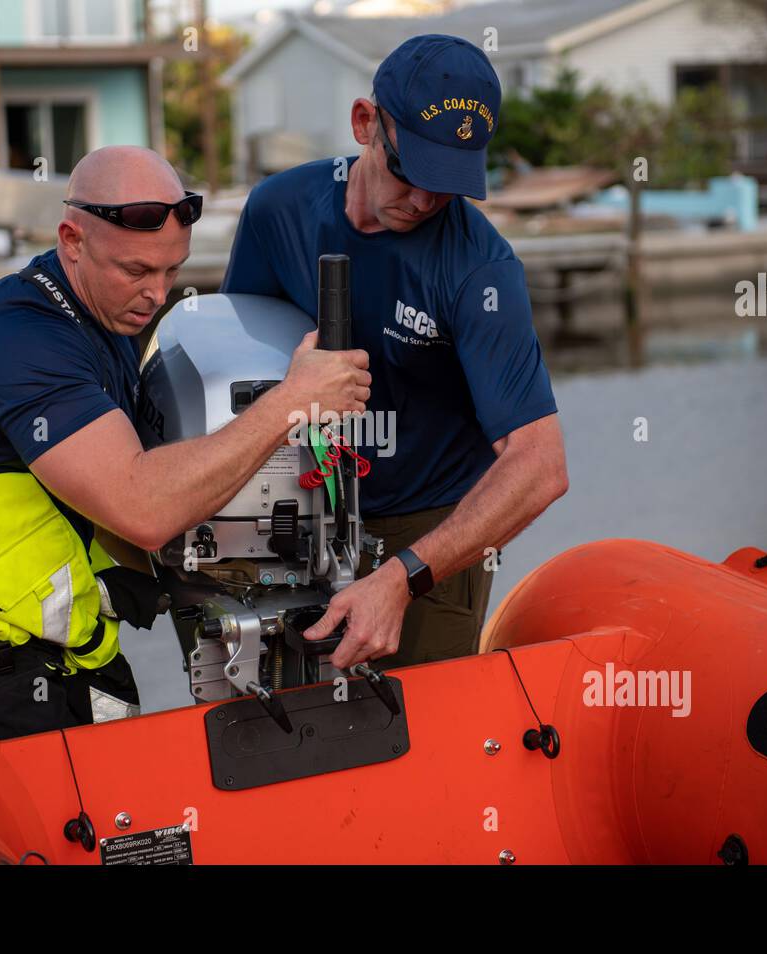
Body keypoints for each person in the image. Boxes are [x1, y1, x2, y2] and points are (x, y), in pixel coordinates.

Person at [0, 146, 370, 746]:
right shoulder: (19, 340)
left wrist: (192, 574)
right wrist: (293, 400)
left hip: (31, 622)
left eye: (172, 272)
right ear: (72, 240)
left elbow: (111, 501)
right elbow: (140, 507)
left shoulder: (106, 317)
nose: (156, 295)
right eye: (136, 271)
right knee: (48, 830)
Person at [221, 35, 569, 671]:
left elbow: (540, 466)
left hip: (428, 529)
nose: (427, 201)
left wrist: (402, 578)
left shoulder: (482, 271)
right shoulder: (279, 210)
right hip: (300, 503)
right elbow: (231, 368)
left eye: (451, 183)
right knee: (281, 729)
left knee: (414, 739)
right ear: (365, 124)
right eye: (413, 173)